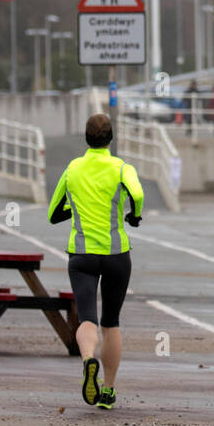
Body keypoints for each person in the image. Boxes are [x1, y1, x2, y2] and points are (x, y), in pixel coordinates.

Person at [47, 113, 144, 409]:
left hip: (82, 256)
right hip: (116, 255)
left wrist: (74, 210)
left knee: (87, 317)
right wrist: (134, 215)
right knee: (111, 322)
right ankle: (109, 391)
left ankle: (89, 360)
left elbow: (53, 213)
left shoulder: (73, 168)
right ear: (111, 138)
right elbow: (137, 193)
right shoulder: (121, 168)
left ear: (86, 138)